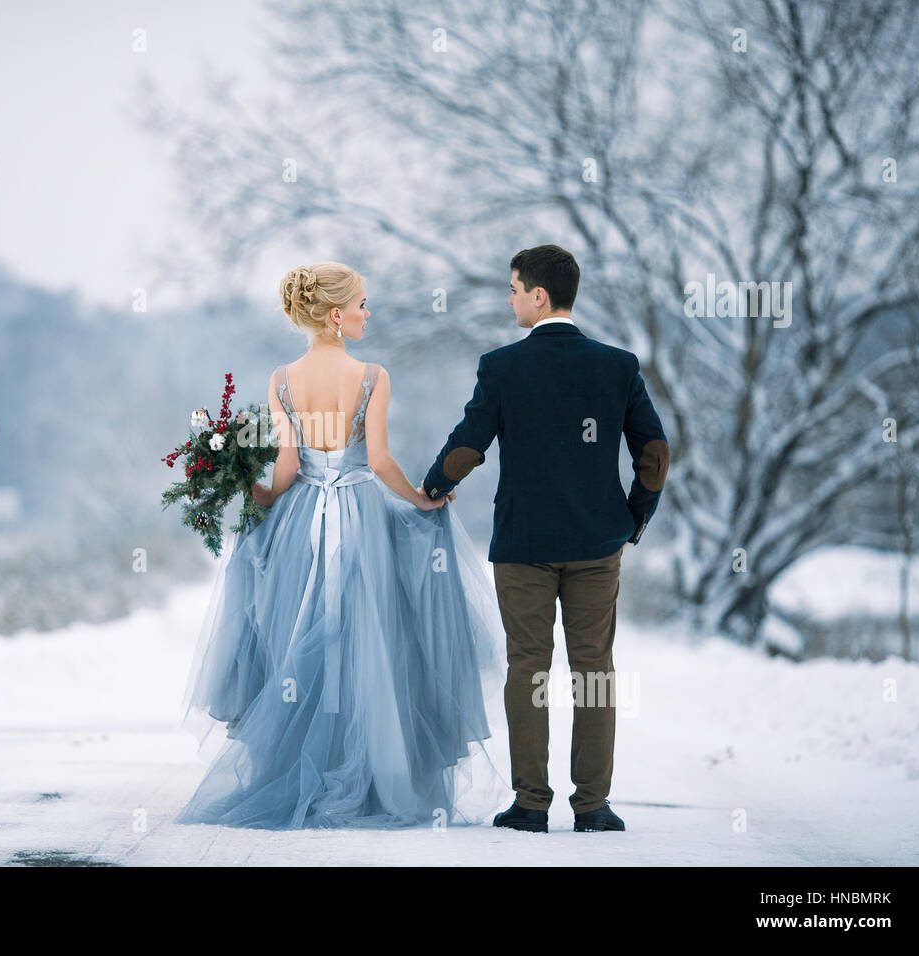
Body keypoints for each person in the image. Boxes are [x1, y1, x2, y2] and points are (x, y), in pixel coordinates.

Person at [176, 261, 507, 829]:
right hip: (361, 516)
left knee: (299, 639)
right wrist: (421, 500)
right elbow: (377, 462)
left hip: (301, 521)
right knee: (372, 641)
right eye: (360, 304)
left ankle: (303, 768)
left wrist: (241, 483)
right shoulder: (372, 376)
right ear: (335, 315)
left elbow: (282, 475)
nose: (366, 313)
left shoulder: (282, 379)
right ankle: (373, 776)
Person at [420, 244, 671, 834]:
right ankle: (593, 807)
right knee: (594, 671)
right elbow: (654, 453)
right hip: (596, 545)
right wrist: (632, 520)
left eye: (513, 289)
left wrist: (435, 484)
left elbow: (469, 444)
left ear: (538, 295)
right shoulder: (618, 365)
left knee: (528, 669)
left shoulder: (503, 367)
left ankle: (531, 804)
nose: (509, 300)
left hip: (523, 546)